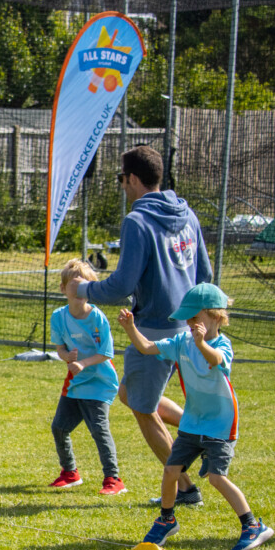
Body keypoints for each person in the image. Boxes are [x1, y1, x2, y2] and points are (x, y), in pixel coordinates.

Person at [72, 145, 212, 505]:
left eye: (122, 178)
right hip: (186, 330)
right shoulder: (187, 214)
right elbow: (205, 275)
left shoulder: (137, 221)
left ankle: (185, 488)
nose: (122, 185)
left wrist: (82, 288)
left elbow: (121, 285)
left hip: (151, 332)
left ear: (133, 178)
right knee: (129, 395)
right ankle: (203, 432)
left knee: (142, 407)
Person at [120, 283, 274, 550]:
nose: (190, 324)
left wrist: (202, 343)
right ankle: (166, 519)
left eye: (195, 318)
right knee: (171, 471)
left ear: (216, 316)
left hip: (219, 424)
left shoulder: (222, 345)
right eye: (188, 319)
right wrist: (131, 328)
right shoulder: (182, 342)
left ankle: (252, 526)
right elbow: (146, 347)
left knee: (216, 478)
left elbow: (216, 360)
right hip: (192, 422)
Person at [48, 259, 124, 495]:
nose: (80, 289)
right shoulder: (58, 317)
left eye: (85, 285)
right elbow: (60, 349)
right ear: (63, 288)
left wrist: (82, 363)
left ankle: (113, 479)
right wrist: (66, 357)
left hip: (100, 382)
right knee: (59, 427)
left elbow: (106, 353)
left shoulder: (97, 318)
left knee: (99, 430)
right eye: (75, 284)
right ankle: (70, 473)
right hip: (76, 382)